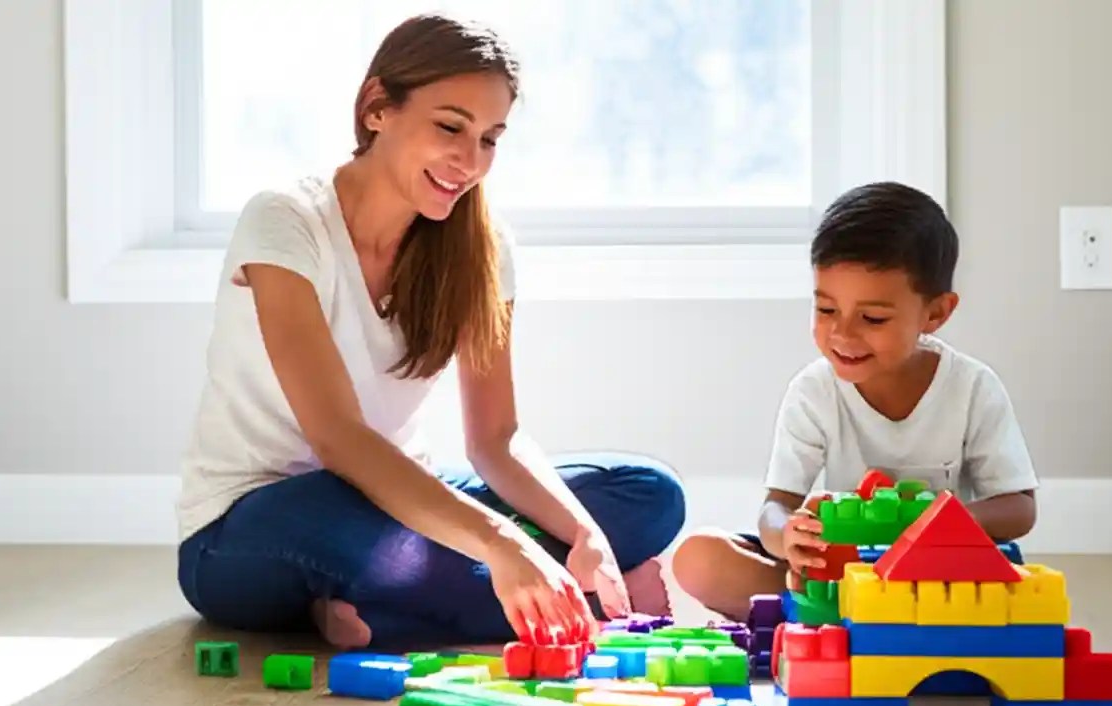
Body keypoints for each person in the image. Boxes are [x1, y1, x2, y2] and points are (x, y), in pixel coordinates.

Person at [175, 13, 685, 650]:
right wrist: (503, 540)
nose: (471, 162)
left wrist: (584, 535)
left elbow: (496, 440)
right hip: (254, 523)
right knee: (364, 533)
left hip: (394, 505)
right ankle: (543, 595)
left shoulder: (483, 246)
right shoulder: (285, 222)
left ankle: (391, 608)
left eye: (491, 138)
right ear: (376, 108)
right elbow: (338, 439)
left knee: (648, 494)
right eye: (450, 127)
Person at [671, 182, 1039, 620]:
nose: (842, 334)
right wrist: (789, 535)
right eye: (826, 310)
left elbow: (1018, 508)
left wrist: (931, 525)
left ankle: (852, 616)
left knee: (1016, 581)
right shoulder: (813, 392)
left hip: (937, 573)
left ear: (936, 313)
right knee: (698, 558)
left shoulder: (972, 387)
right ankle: (833, 610)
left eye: (873, 318)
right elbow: (776, 505)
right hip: (842, 572)